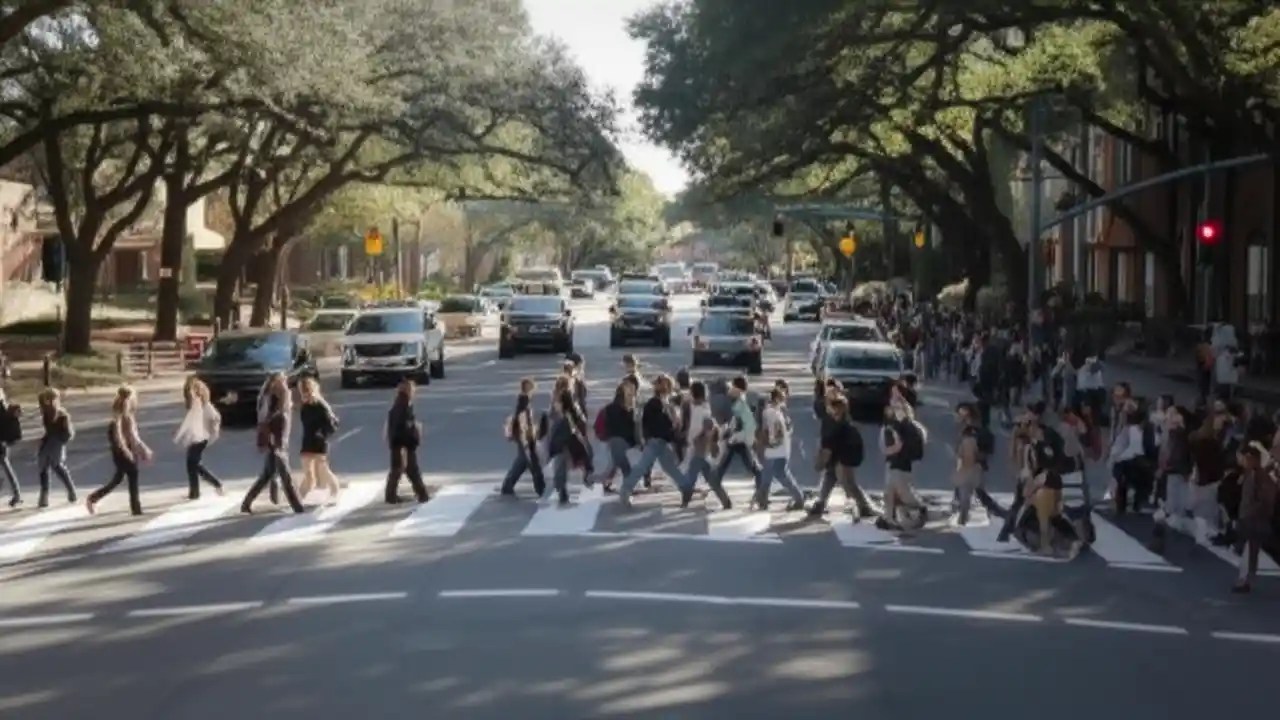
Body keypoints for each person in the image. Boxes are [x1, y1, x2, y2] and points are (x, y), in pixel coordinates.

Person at [619, 374, 692, 509]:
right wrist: (673, 430)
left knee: (645, 467)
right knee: (663, 467)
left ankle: (625, 491)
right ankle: (685, 488)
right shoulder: (658, 403)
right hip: (657, 440)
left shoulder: (660, 402)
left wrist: (671, 429)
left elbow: (653, 424)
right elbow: (659, 424)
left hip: (657, 441)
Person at [241, 373, 305, 514]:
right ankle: (298, 506)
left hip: (278, 442)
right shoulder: (272, 399)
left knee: (267, 475)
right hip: (277, 444)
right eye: (281, 381)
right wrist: (276, 443)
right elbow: (269, 422)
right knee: (286, 477)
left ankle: (246, 503)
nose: (284, 384)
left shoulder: (276, 396)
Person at [86, 386, 151, 516]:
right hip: (121, 450)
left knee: (118, 479)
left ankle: (93, 498)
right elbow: (119, 437)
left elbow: (133, 436)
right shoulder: (118, 418)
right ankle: (136, 508)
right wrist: (128, 451)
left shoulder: (127, 416)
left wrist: (142, 448)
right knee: (132, 475)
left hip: (124, 450)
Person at [809, 393, 873, 519]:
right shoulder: (839, 421)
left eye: (830, 406)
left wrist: (820, 462)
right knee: (829, 478)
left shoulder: (835, 424)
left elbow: (828, 447)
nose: (827, 408)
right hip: (839, 457)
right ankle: (820, 503)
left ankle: (864, 507)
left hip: (842, 459)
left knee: (848, 484)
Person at [1231, 442, 1277, 594]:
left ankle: (1245, 580)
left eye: (1242, 457)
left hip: (1255, 520)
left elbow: (1263, 499)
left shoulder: (1258, 475)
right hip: (1253, 519)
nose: (1240, 461)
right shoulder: (1252, 473)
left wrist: (1250, 513)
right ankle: (1246, 579)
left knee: (1250, 550)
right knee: (1251, 551)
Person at [878, 403, 927, 530]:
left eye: (896, 409)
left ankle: (919, 509)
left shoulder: (904, 427)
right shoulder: (898, 426)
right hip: (896, 463)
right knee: (890, 492)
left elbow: (898, 446)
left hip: (900, 464)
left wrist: (892, 449)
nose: (890, 411)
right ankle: (888, 518)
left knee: (902, 492)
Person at [755, 386, 805, 511]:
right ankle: (762, 500)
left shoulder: (770, 412)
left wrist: (770, 442)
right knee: (770, 475)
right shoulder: (777, 411)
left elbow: (772, 430)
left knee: (779, 475)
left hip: (775, 450)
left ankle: (799, 498)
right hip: (779, 449)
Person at [683, 380, 731, 509]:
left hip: (700, 448)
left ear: (694, 394)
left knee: (690, 477)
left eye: (691, 392)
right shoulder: (700, 407)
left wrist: (699, 438)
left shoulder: (703, 410)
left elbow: (708, 427)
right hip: (700, 449)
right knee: (712, 479)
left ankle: (685, 501)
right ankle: (726, 501)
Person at [174, 377, 223, 500]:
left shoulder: (205, 406)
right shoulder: (197, 405)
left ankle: (214, 484)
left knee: (194, 464)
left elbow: (216, 417)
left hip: (202, 438)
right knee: (193, 464)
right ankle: (195, 492)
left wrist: (213, 432)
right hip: (196, 438)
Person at [384, 377, 430, 505]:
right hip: (403, 444)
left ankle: (392, 495)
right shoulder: (403, 407)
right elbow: (404, 427)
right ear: (408, 390)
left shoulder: (399, 404)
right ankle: (422, 495)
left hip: (398, 443)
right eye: (413, 389)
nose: (414, 392)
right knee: (407, 470)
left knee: (402, 470)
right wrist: (412, 435)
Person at [297, 376, 341, 506]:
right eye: (302, 391)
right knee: (308, 475)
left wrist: (322, 434)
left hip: (318, 442)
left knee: (323, 470)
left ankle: (334, 493)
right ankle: (298, 499)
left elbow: (332, 424)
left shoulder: (320, 405)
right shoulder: (304, 406)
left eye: (306, 391)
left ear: (312, 390)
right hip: (307, 442)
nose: (304, 394)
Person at [712, 376, 763, 487]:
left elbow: (741, 421)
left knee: (748, 465)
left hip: (741, 438)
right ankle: (715, 482)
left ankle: (715, 483)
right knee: (729, 462)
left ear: (737, 389)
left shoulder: (740, 403)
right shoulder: (740, 401)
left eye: (732, 387)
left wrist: (731, 433)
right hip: (740, 437)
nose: (730, 390)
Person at [500, 378, 546, 497]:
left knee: (522, 462)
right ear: (527, 387)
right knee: (532, 463)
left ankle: (508, 485)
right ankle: (540, 489)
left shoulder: (524, 399)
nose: (534, 390)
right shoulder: (524, 400)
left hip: (524, 436)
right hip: (525, 437)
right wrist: (529, 433)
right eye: (532, 387)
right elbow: (522, 419)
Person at [36, 388, 77, 507]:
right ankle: (45, 496)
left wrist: (59, 440)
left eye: (49, 399)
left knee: (56, 466)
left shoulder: (62, 414)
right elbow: (49, 430)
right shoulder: (47, 412)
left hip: (57, 442)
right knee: (44, 467)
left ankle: (70, 491)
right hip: (49, 441)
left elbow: (68, 433)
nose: (47, 402)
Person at [0, 388, 23, 507]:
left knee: (7, 469)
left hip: (1, 444)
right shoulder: (4, 408)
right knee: (7, 469)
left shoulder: (2, 410)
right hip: (3, 443)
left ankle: (17, 494)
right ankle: (17, 494)